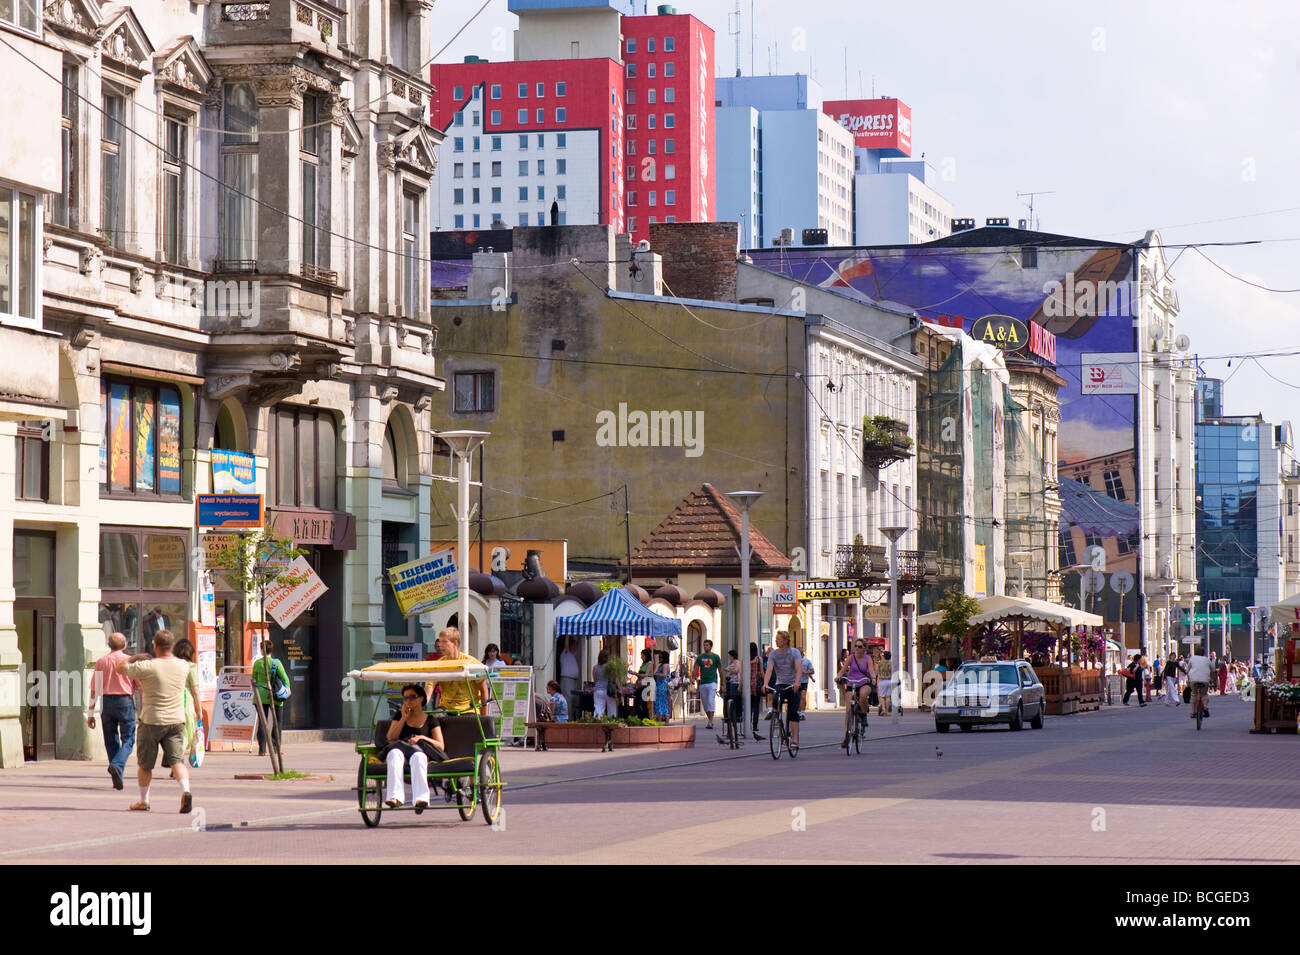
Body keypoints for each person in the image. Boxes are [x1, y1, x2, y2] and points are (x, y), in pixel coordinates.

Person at [117, 629, 201, 813]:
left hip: (151, 721)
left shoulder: (148, 666)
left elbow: (120, 667)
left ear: (154, 645)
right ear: (171, 646)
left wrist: (136, 656)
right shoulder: (183, 666)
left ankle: (143, 800)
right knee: (177, 761)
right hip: (176, 721)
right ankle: (186, 791)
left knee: (145, 765)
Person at [87, 632, 139, 791]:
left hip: (107, 702)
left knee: (110, 740)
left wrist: (90, 712)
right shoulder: (128, 661)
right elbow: (138, 685)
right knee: (129, 738)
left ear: (109, 645)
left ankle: (117, 774)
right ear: (124, 645)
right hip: (125, 701)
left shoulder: (102, 661)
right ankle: (117, 765)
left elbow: (94, 689)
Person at [382, 684, 446, 809]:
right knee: (394, 753)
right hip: (401, 752)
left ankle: (421, 798)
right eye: (405, 698)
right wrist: (403, 718)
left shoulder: (431, 720)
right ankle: (395, 797)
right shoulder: (399, 716)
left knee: (418, 756)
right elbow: (391, 738)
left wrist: (422, 738)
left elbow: (441, 745)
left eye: (412, 697)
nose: (408, 701)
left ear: (421, 698)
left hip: (420, 752)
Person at [426, 626, 487, 715]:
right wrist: (423, 702)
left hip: (469, 709)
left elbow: (484, 689)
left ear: (455, 643)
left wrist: (484, 717)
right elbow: (429, 686)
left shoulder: (472, 663)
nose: (440, 645)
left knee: (466, 723)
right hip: (446, 708)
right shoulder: (438, 664)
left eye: (444, 642)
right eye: (439, 641)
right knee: (434, 720)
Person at [762, 631, 803, 752]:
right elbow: (769, 670)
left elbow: (798, 669)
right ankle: (777, 718)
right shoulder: (773, 654)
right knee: (775, 699)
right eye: (776, 639)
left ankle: (795, 739)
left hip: (793, 684)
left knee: (792, 712)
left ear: (785, 641)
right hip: (780, 684)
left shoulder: (794, 652)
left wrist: (796, 683)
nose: (776, 641)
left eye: (778, 639)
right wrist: (765, 684)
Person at [836, 637, 877, 750]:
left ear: (864, 648)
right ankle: (847, 734)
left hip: (864, 682)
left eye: (859, 646)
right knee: (848, 709)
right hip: (852, 682)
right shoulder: (851, 658)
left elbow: (872, 671)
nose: (857, 649)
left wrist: (873, 678)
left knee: (863, 696)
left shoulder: (868, 659)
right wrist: (839, 676)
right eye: (855, 646)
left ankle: (863, 716)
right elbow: (843, 669)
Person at [251, 640, 289, 756]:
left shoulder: (257, 663)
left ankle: (262, 749)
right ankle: (276, 747)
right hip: (275, 695)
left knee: (263, 722)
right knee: (278, 721)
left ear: (262, 650)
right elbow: (285, 678)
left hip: (260, 695)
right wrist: (287, 689)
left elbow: (254, 680)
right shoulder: (276, 663)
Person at [173, 638, 202, 763]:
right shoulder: (191, 667)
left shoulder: (172, 665)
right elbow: (195, 690)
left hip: (173, 700)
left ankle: (175, 760)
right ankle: (178, 763)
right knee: (187, 732)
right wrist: (199, 710)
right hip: (186, 701)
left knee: (177, 734)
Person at [694, 639, 722, 730]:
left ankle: (710, 721)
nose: (705, 646)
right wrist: (692, 678)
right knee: (705, 703)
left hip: (712, 682)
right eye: (704, 645)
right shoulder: (700, 657)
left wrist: (722, 683)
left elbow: (720, 670)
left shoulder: (716, 657)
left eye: (707, 645)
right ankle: (710, 719)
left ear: (711, 646)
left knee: (710, 701)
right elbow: (695, 668)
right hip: (703, 682)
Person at [1186, 651, 1214, 719]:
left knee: (1193, 694)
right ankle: (1205, 706)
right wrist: (1212, 680)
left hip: (1193, 680)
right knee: (1204, 694)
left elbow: (1187, 670)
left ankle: (1192, 712)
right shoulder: (1207, 660)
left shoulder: (1192, 658)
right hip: (1204, 680)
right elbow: (1212, 670)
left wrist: (1188, 678)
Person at [591, 650, 619, 718]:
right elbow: (616, 680)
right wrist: (620, 689)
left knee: (598, 710)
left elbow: (595, 680)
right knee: (612, 711)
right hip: (609, 691)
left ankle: (597, 725)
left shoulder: (595, 667)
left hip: (598, 690)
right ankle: (611, 725)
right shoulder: (611, 667)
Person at [559, 637, 581, 719]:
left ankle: (571, 718)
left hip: (573, 681)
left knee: (573, 701)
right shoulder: (565, 653)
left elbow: (578, 646)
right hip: (567, 680)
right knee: (568, 700)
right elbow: (566, 645)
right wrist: (567, 635)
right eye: (573, 645)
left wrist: (580, 636)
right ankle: (567, 719)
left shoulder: (572, 655)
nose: (575, 647)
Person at [748, 643, 765, 740]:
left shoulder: (746, 659)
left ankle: (748, 724)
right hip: (756, 685)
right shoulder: (759, 659)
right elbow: (762, 672)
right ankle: (755, 725)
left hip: (748, 685)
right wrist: (765, 682)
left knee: (749, 706)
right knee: (756, 707)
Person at [653, 650, 671, 722]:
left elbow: (664, 675)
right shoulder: (661, 665)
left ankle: (661, 720)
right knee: (660, 703)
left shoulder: (665, 665)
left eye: (661, 657)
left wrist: (655, 674)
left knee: (661, 703)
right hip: (659, 685)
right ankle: (660, 719)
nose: (659, 659)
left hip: (662, 685)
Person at [797, 653, 815, 720]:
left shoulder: (807, 661)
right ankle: (798, 712)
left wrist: (806, 672)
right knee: (797, 698)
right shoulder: (794, 660)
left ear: (802, 654)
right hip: (795, 682)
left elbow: (812, 671)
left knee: (803, 697)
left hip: (804, 682)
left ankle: (802, 713)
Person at [877, 650, 895, 716]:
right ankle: (887, 711)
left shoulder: (880, 663)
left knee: (881, 696)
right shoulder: (891, 663)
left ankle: (883, 708)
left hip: (882, 680)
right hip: (889, 680)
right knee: (888, 697)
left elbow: (878, 672)